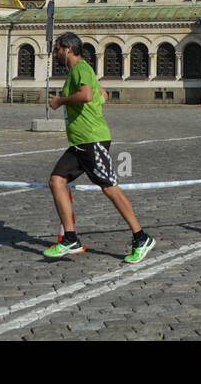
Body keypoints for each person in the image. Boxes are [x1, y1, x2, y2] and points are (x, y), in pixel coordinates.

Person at [43, 32, 155, 263]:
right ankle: (70, 238)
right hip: (79, 143)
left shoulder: (80, 68)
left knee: (110, 187)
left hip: (91, 140)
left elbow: (85, 95)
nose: (55, 54)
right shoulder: (80, 71)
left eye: (57, 49)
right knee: (57, 180)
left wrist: (60, 101)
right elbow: (100, 95)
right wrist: (96, 97)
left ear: (67, 49)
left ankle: (141, 237)